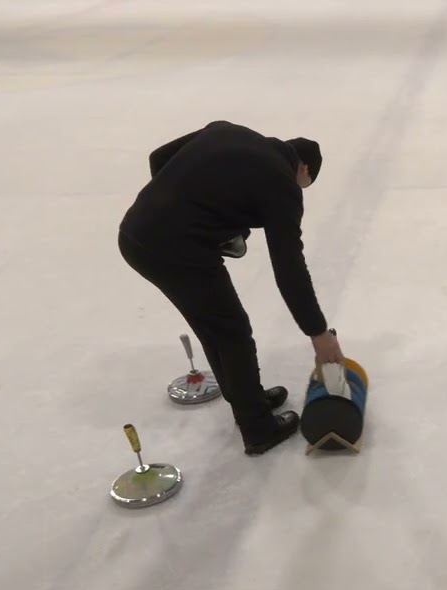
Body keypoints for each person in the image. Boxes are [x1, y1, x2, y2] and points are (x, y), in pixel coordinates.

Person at [119, 120, 344, 456]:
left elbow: (159, 157)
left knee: (216, 327)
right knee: (231, 331)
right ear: (304, 169)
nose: (301, 189)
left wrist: (194, 211)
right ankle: (258, 428)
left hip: (136, 232)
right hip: (175, 249)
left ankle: (245, 398)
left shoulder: (230, 131)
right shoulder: (282, 183)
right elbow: (288, 267)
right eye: (305, 184)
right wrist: (318, 332)